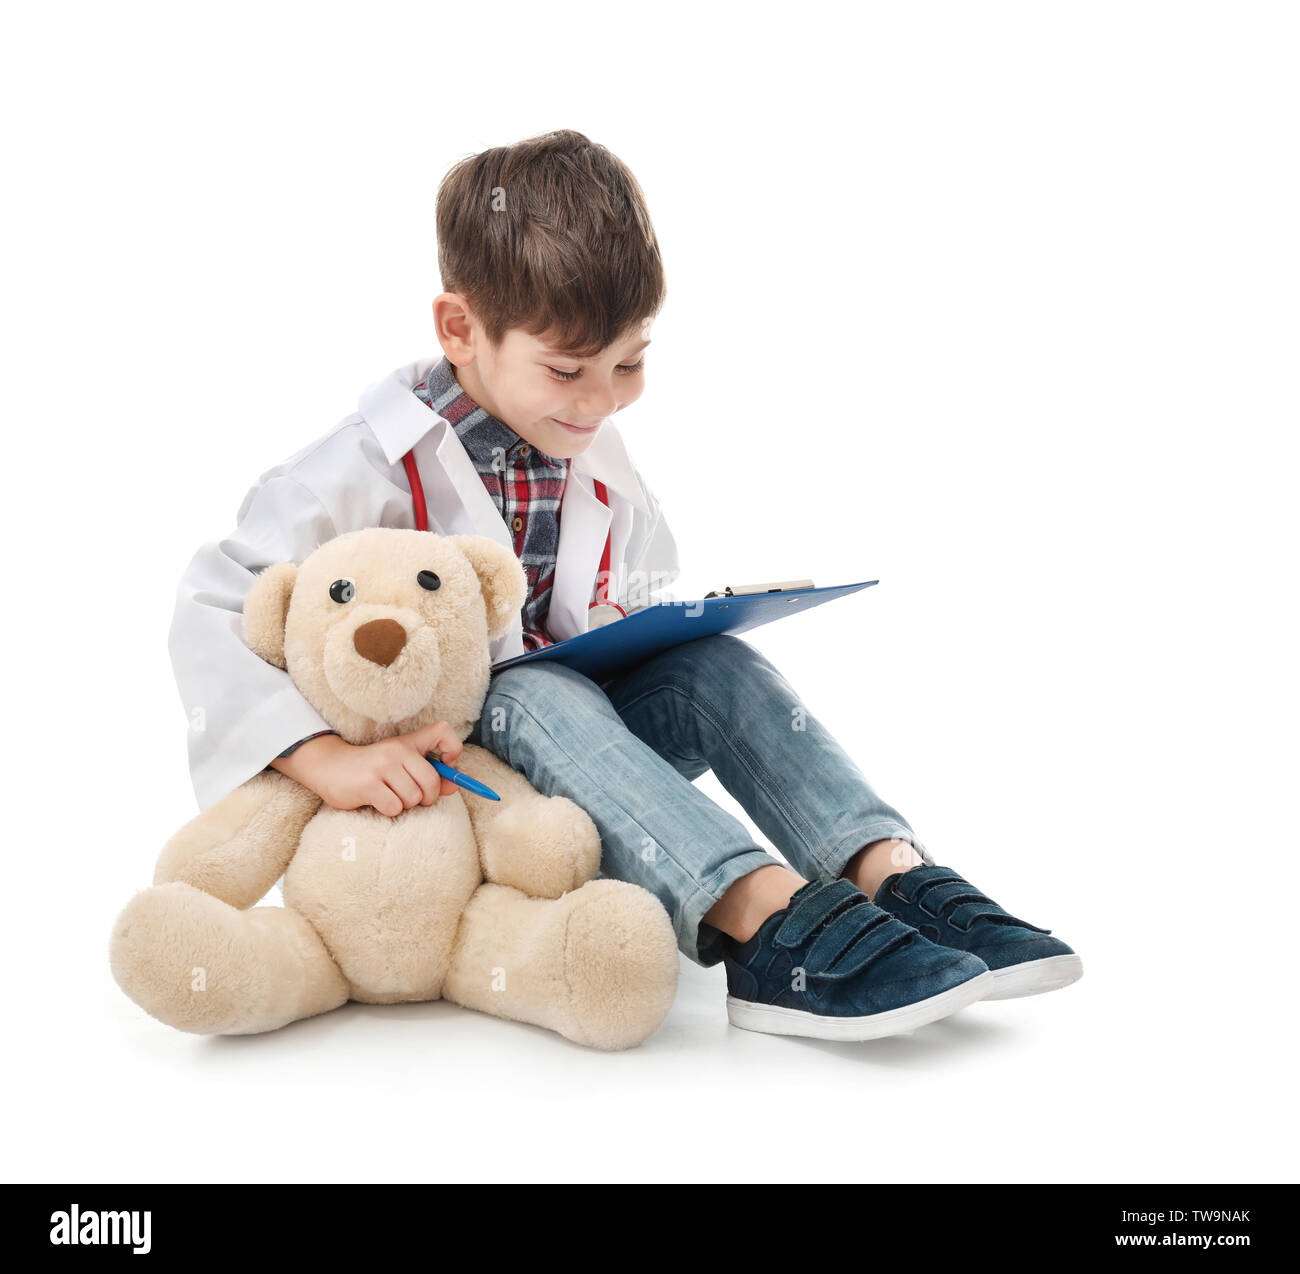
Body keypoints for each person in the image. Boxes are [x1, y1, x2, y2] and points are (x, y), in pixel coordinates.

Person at [171, 129, 1081, 1042]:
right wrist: (324, 757)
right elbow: (213, 603)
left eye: (630, 363)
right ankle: (766, 927)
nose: (600, 401)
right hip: (467, 785)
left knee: (714, 665)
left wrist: (649, 623)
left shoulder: (586, 443)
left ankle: (888, 873)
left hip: (588, 756)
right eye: (567, 369)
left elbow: (629, 576)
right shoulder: (354, 467)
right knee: (530, 687)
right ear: (460, 329)